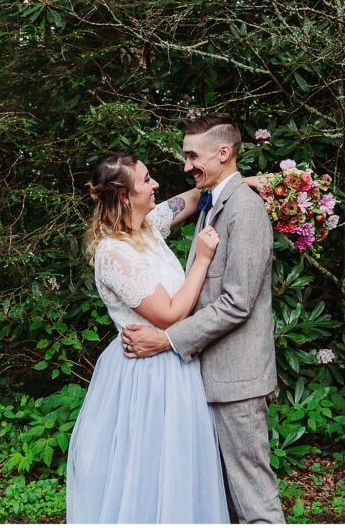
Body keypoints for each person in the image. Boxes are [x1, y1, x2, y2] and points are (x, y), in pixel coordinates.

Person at [123, 113, 285, 524]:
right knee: (224, 502)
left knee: (255, 502)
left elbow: (236, 303)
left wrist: (166, 339)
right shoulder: (213, 201)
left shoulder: (244, 210)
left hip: (237, 380)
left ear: (224, 152)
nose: (186, 165)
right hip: (208, 379)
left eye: (193, 156)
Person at [65, 152, 230, 523]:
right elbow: (171, 313)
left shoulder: (148, 227)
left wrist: (247, 183)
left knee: (178, 468)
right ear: (125, 196)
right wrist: (201, 259)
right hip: (146, 377)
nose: (155, 185)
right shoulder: (115, 253)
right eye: (146, 180)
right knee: (147, 470)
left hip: (174, 365)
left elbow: (187, 200)